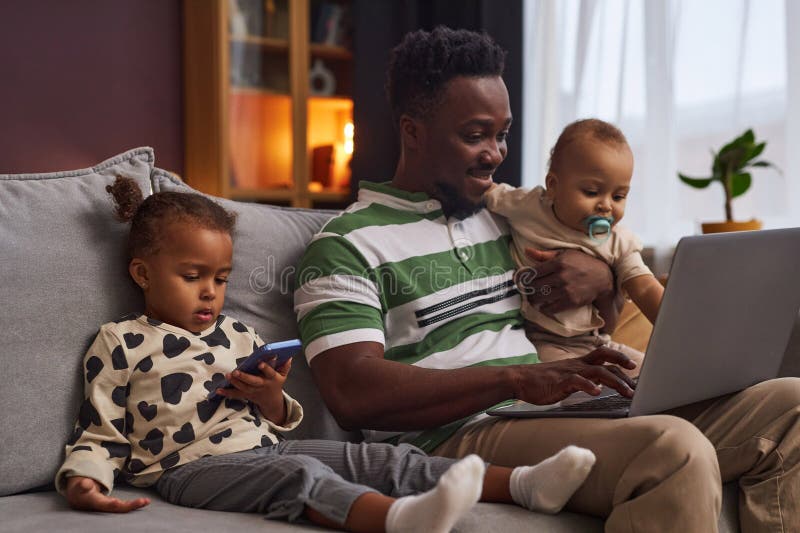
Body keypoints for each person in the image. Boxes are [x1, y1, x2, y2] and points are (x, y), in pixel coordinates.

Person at [294, 26, 800, 531]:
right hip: (454, 435)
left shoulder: (508, 216)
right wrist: (516, 378)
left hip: (550, 406)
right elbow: (353, 390)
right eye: (474, 135)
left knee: (791, 405)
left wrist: (604, 278)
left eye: (502, 134)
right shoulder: (346, 245)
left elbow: (599, 290)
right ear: (413, 132)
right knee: (672, 448)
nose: (495, 153)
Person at [55, 175, 600, 533]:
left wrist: (270, 396)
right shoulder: (119, 340)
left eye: (220, 279)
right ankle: (395, 520)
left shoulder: (237, 333)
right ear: (142, 273)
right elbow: (100, 430)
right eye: (192, 277)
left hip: (262, 446)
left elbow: (282, 418)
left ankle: (526, 484)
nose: (209, 293)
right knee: (297, 480)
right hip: (187, 469)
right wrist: (87, 480)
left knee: (385, 460)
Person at [484, 118, 664, 373]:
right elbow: (487, 190)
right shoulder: (528, 205)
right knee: (577, 384)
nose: (606, 206)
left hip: (596, 342)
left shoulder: (618, 241)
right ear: (553, 187)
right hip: (540, 342)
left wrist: (679, 331)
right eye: (592, 192)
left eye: (618, 196)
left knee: (653, 376)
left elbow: (645, 288)